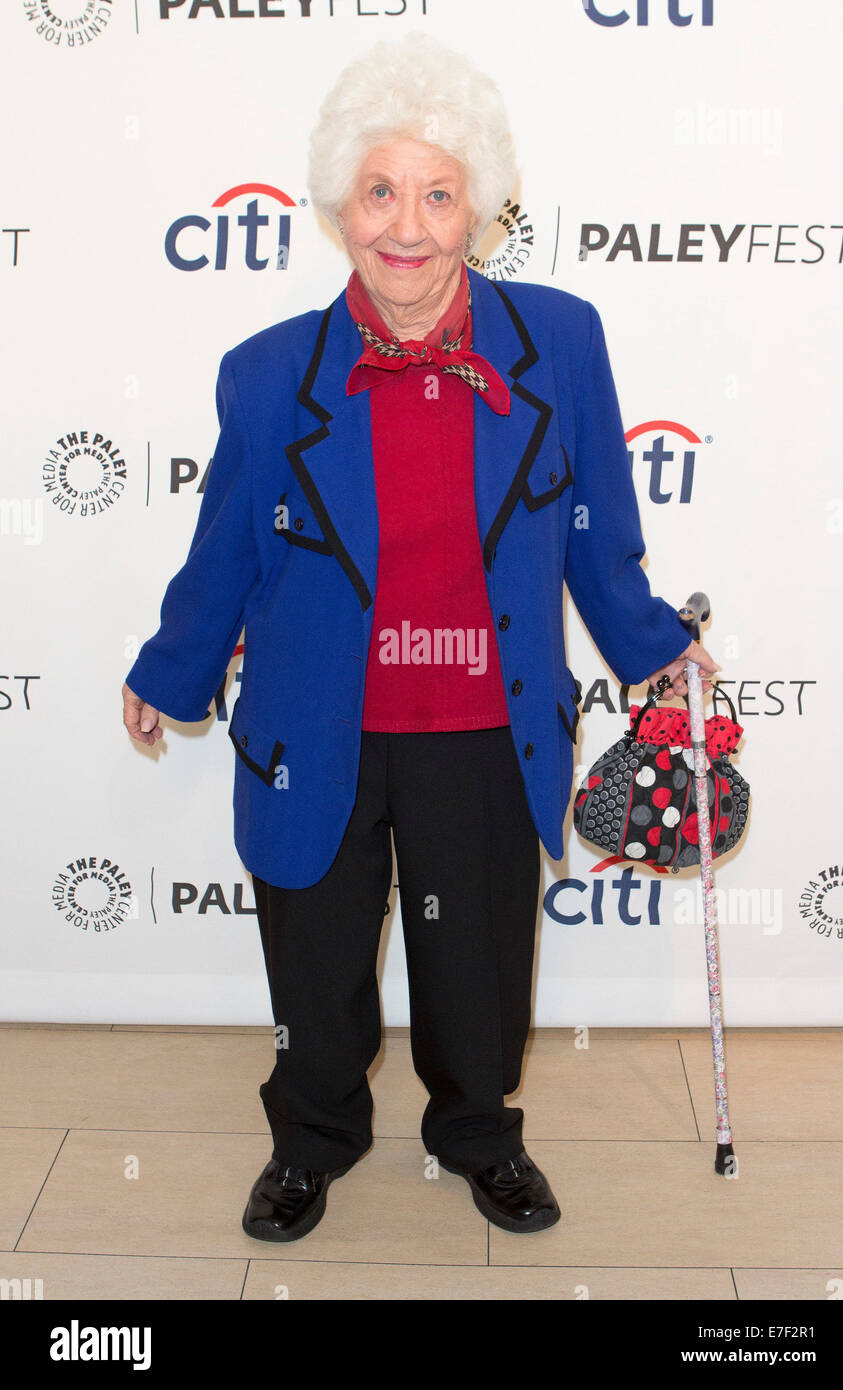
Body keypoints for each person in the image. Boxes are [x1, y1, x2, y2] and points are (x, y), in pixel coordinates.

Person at [122, 31, 719, 1242]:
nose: (407, 224)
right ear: (340, 205)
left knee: (477, 963)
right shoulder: (267, 370)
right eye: (380, 190)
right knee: (318, 959)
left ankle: (477, 1134)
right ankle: (312, 1136)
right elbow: (229, 545)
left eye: (437, 194)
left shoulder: (558, 340)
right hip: (314, 713)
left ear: (481, 210)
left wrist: (653, 643)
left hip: (484, 722)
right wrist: (174, 664)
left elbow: (599, 529)